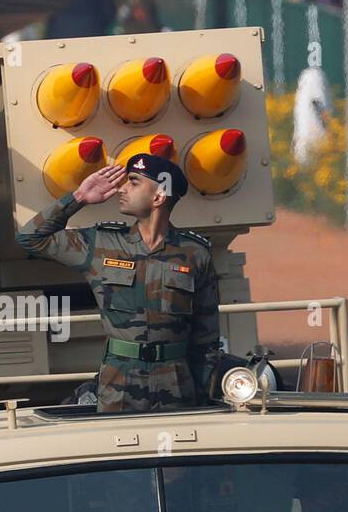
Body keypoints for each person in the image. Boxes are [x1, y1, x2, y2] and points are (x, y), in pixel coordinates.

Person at [16, 154, 223, 413]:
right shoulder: (101, 244)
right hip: (119, 381)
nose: (121, 189)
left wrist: (203, 396)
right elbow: (30, 238)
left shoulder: (196, 253)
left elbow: (207, 338)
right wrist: (78, 197)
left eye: (134, 183)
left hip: (177, 383)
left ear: (158, 196)